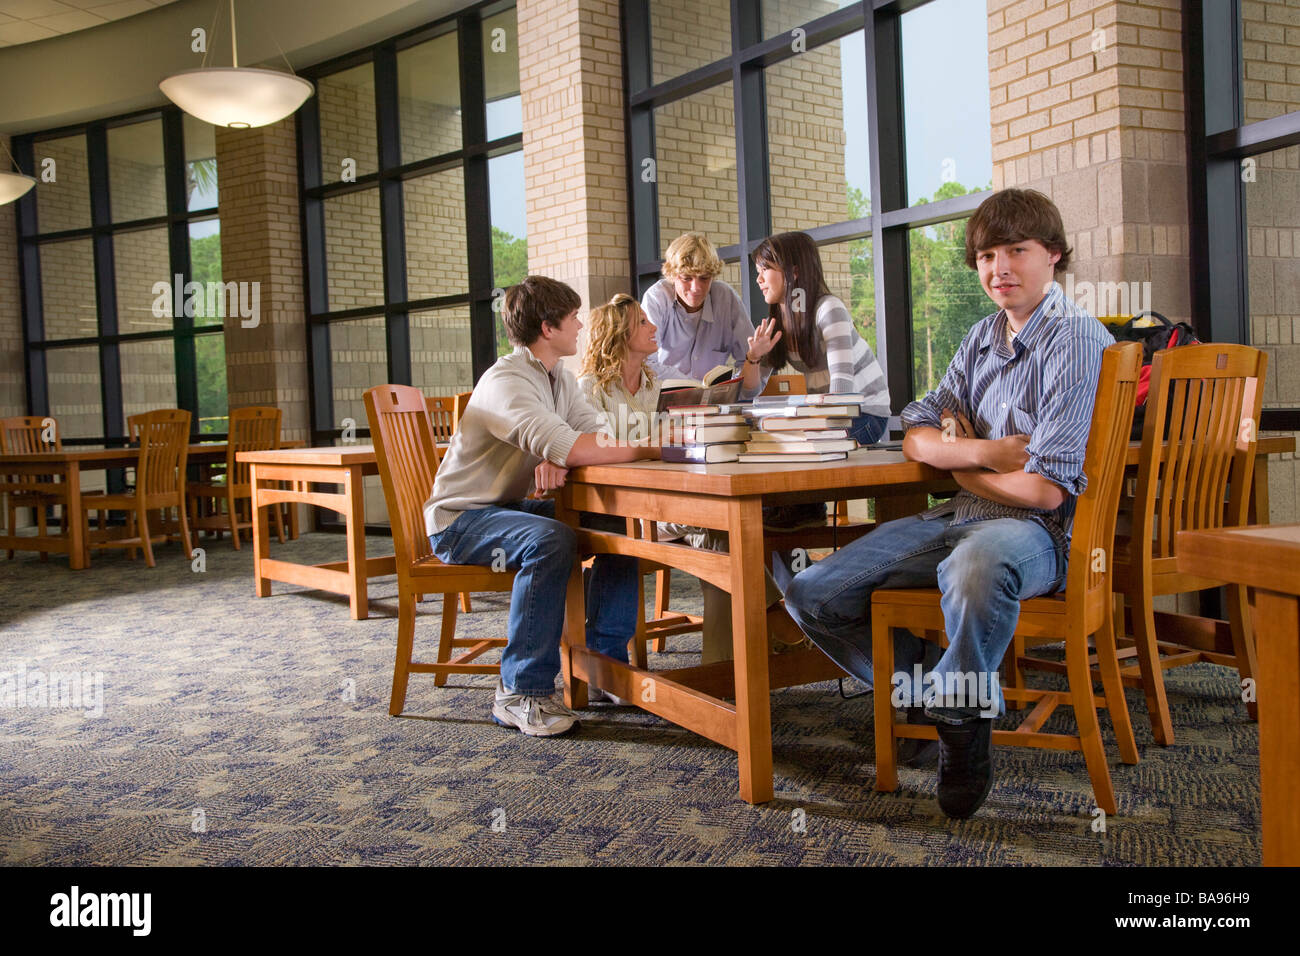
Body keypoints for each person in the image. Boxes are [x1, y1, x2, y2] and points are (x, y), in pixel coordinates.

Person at [780, 189, 1113, 819]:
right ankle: (938, 686)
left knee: (975, 569)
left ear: (1055, 255)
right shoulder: (982, 336)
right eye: (987, 255)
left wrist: (961, 466)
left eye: (1018, 251)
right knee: (811, 594)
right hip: (961, 515)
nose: (1000, 269)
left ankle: (960, 719)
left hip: (1042, 534)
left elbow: (1043, 491)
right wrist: (986, 455)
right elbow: (916, 427)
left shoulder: (1072, 339)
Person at [424, 276, 659, 738]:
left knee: (620, 521)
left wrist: (577, 455)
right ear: (549, 328)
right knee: (551, 539)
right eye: (573, 318)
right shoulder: (507, 382)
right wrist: (649, 445)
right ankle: (520, 692)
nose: (581, 326)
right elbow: (570, 445)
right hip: (460, 520)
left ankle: (604, 660)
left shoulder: (558, 378)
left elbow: (591, 435)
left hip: (505, 509)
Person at [577, 293, 805, 664]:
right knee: (719, 527)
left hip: (667, 501)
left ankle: (721, 668)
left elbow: (717, 389)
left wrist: (740, 369)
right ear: (619, 334)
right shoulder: (589, 389)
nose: (654, 328)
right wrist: (653, 444)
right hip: (625, 509)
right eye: (643, 323)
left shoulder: (656, 384)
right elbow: (597, 450)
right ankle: (773, 613)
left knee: (721, 535)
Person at [751, 231, 891, 530]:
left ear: (794, 271)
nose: (759, 279)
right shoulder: (781, 319)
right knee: (769, 436)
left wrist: (806, 428)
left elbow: (842, 391)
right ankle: (794, 509)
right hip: (831, 414)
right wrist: (754, 357)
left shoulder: (829, 309)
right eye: (758, 272)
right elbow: (752, 389)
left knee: (796, 441)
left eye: (766, 270)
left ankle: (806, 507)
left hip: (865, 413)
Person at [641, 232, 775, 400]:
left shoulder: (726, 298)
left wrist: (728, 390)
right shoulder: (657, 298)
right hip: (666, 401)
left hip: (714, 405)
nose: (696, 288)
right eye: (686, 278)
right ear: (672, 275)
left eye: (704, 278)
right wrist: (698, 389)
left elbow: (752, 385)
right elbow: (645, 363)